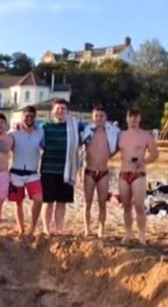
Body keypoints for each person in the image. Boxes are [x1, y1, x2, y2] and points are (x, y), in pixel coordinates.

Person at [40, 98, 85, 235]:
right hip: (48, 169)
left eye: (63, 109)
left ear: (67, 111)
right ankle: (46, 229)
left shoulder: (74, 126)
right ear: (52, 111)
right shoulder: (44, 126)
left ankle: (59, 229)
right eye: (58, 108)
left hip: (67, 170)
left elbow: (91, 129)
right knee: (48, 202)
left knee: (62, 202)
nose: (60, 111)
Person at [116, 107, 159, 245]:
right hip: (123, 173)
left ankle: (142, 236)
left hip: (138, 174)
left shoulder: (146, 136)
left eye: (136, 117)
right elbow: (110, 150)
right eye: (131, 116)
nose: (133, 119)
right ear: (127, 118)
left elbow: (154, 154)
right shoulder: (121, 136)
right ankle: (127, 235)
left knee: (139, 206)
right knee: (126, 207)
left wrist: (143, 161)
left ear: (139, 118)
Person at [80, 105, 119, 238]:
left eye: (101, 116)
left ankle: (101, 230)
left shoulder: (111, 132)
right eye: (96, 116)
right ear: (92, 117)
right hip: (89, 171)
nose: (99, 118)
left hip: (103, 171)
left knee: (102, 203)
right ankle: (87, 229)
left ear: (105, 117)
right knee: (87, 203)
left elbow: (119, 145)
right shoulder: (87, 131)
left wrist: (110, 155)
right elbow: (78, 146)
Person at [8, 105, 44, 236]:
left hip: (33, 173)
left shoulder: (40, 132)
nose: (29, 118)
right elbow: (3, 143)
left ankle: (32, 228)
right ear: (22, 116)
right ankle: (21, 228)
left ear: (35, 117)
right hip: (16, 171)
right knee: (18, 203)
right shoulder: (13, 132)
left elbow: (45, 147)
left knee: (39, 199)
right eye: (26, 116)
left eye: (31, 116)